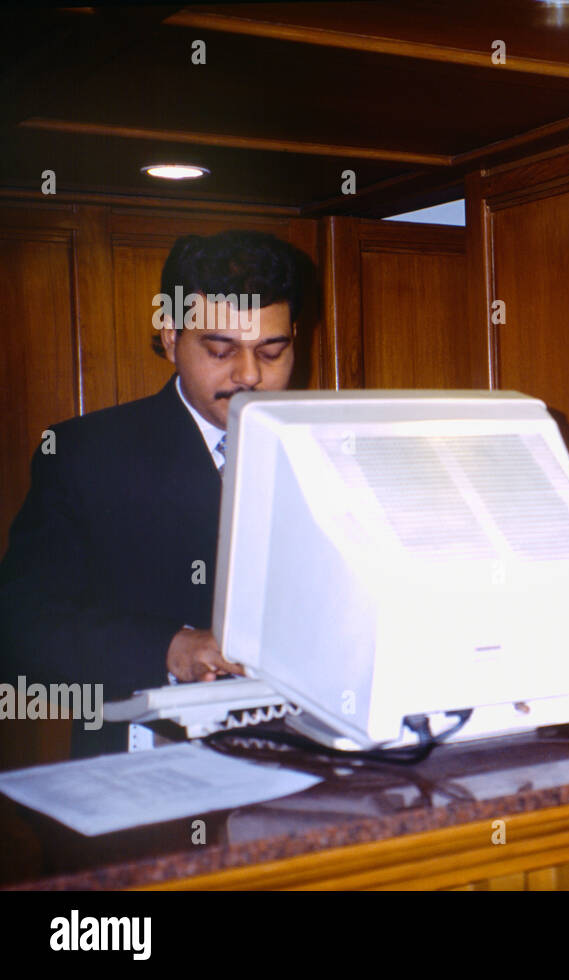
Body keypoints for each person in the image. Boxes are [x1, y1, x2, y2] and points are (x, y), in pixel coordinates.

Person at [0, 230, 314, 758]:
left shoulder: (323, 447)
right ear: (170, 336)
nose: (250, 375)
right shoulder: (86, 455)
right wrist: (170, 647)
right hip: (148, 764)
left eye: (272, 351)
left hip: (313, 755)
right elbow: (21, 627)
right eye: (220, 349)